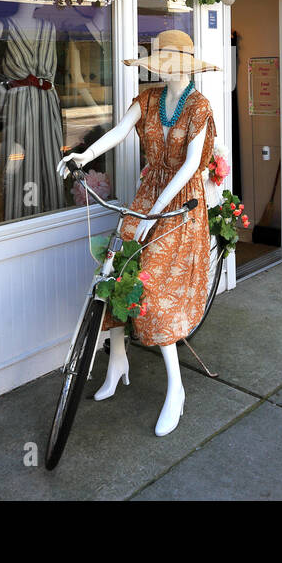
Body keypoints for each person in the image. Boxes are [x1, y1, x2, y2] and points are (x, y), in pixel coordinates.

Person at [57, 30, 218, 437]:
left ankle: (176, 389)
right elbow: (118, 131)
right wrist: (83, 154)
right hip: (148, 194)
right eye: (161, 62)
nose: (167, 69)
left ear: (187, 64)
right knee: (114, 274)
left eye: (173, 62)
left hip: (181, 205)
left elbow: (189, 167)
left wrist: (156, 213)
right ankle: (117, 363)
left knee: (155, 289)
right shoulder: (149, 100)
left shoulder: (199, 106)